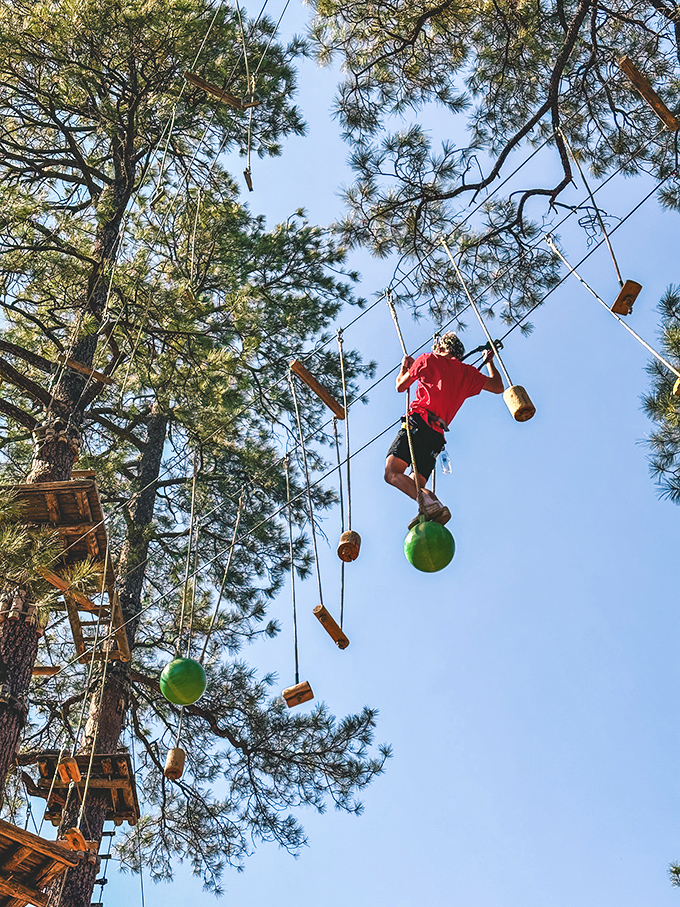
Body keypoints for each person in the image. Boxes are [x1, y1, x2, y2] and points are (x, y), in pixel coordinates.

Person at [384, 331, 504, 525]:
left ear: (440, 348)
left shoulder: (427, 359)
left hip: (417, 424)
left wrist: (404, 367)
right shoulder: (468, 373)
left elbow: (400, 386)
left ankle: (430, 504)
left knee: (392, 473)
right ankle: (432, 505)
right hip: (436, 436)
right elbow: (498, 387)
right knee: (417, 483)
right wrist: (489, 361)